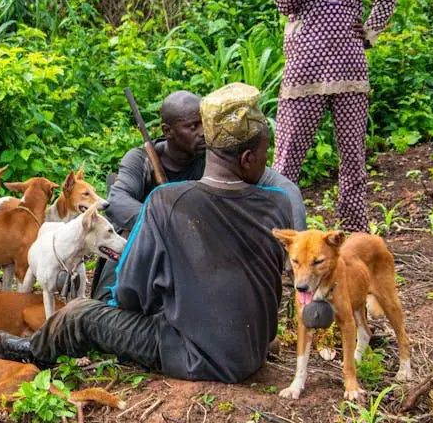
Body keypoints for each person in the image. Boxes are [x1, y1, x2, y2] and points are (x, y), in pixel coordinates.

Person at [0, 84, 293, 384]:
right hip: (253, 351)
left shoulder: (165, 201)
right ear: (248, 158)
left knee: (79, 314)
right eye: (266, 154)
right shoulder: (278, 203)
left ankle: (33, 351)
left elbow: (130, 295)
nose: (265, 162)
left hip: (193, 357)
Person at [92, 90, 306, 301]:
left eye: (204, 122)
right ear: (168, 131)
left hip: (200, 251)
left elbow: (283, 187)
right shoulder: (141, 160)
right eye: (192, 126)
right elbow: (117, 200)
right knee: (110, 293)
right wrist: (170, 225)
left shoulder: (212, 157)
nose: (203, 132)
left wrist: (298, 245)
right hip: (146, 246)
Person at [272, 0, 397, 232]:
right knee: (287, 158)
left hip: (350, 62)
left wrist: (370, 32)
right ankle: (279, 238)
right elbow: (283, 2)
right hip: (305, 60)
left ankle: (353, 237)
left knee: (354, 159)